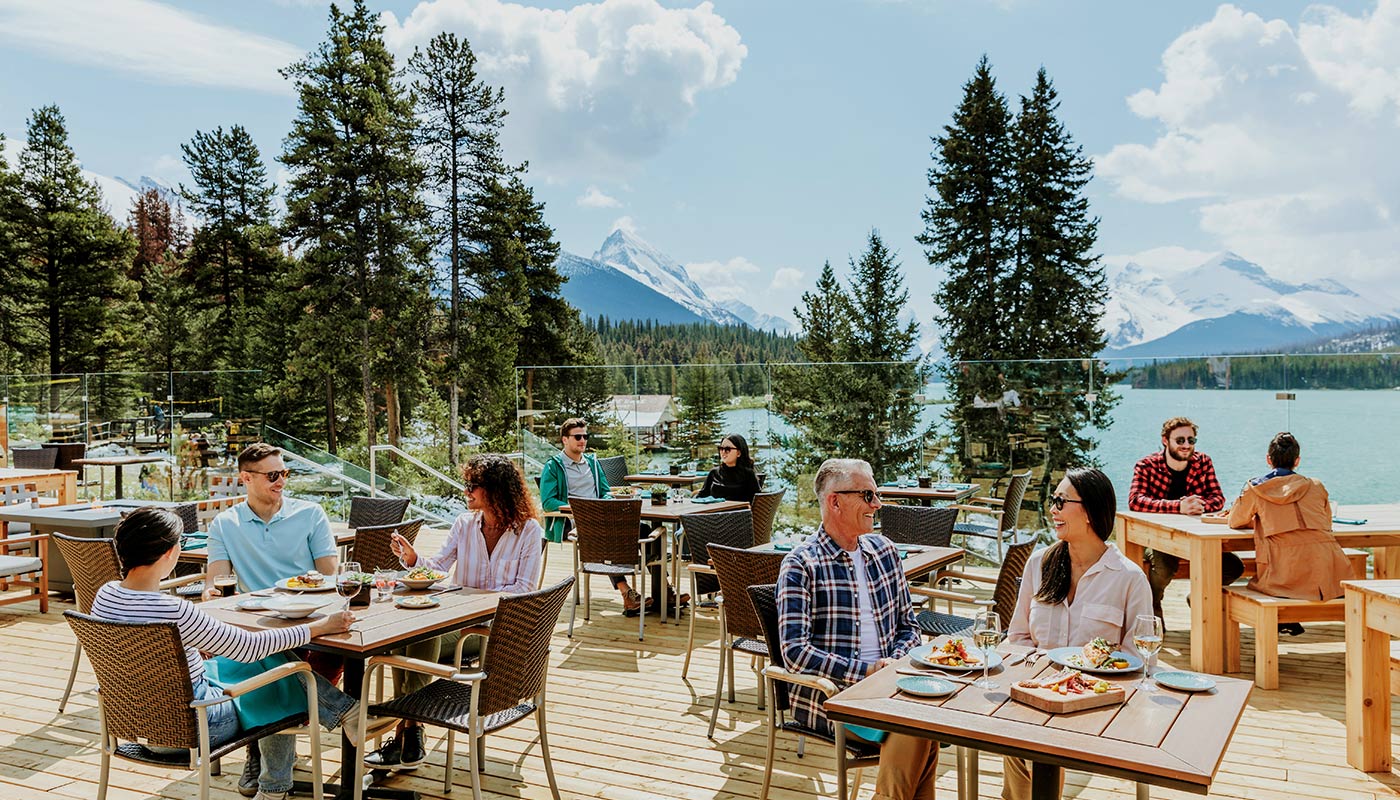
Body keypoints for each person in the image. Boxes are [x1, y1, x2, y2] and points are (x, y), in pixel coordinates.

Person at [92, 508, 373, 800]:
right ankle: (278, 785)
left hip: (135, 724)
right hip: (196, 728)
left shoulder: (105, 595)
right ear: (169, 552)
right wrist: (318, 627)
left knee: (266, 662)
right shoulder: (174, 611)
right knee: (277, 677)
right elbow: (249, 648)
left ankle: (344, 714)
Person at [363, 454, 545, 770]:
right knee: (405, 637)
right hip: (456, 626)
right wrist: (413, 557)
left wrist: (470, 601)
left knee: (420, 636)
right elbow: (438, 567)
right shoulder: (464, 524)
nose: (466, 491)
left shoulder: (527, 531)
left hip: (491, 632)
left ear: (497, 489)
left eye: (473, 485)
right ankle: (411, 729)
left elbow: (523, 591)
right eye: (466, 484)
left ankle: (406, 727)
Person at [778, 458, 937, 800]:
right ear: (835, 501)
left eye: (876, 495)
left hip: (891, 685)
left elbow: (909, 627)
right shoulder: (801, 564)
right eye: (868, 495)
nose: (877, 504)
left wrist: (891, 665)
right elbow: (795, 653)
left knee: (927, 720)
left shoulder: (885, 552)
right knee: (917, 723)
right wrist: (866, 672)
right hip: (832, 696)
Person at [1004, 468, 1152, 800]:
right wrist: (1039, 685)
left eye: (1061, 501)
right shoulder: (1039, 564)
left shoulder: (1129, 579)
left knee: (1034, 745)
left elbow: (1138, 661)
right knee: (1019, 736)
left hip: (1096, 704)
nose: (1052, 509)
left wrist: (1084, 691)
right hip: (1039, 694)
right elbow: (1018, 637)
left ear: (1089, 512)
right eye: (1052, 500)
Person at [204, 442, 341, 796]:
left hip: (311, 628)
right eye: (273, 475)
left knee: (264, 659)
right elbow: (215, 583)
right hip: (257, 629)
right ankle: (342, 716)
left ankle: (261, 752)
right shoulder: (225, 524)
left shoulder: (310, 514)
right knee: (261, 655)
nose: (281, 481)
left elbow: (331, 577)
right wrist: (211, 595)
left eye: (284, 473)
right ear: (246, 478)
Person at [539, 418, 686, 615]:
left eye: (585, 436)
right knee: (607, 534)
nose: (583, 440)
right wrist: (583, 509)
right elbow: (548, 502)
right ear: (565, 440)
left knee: (645, 530)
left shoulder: (592, 463)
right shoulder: (553, 466)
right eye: (578, 437)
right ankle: (626, 593)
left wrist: (605, 505)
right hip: (572, 521)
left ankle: (664, 589)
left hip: (602, 517)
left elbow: (606, 492)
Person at [1228, 432, 1352, 636]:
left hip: (1283, 578)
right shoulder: (1316, 486)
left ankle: (1284, 619)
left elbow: (1235, 521)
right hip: (1330, 574)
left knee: (1255, 586)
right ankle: (1288, 619)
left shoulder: (1255, 489)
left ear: (1269, 459)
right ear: (1297, 461)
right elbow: (1326, 523)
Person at [1128, 416, 1243, 621]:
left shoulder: (1203, 462)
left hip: (1195, 538)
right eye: (1180, 440)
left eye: (1191, 440)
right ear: (1165, 440)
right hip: (1158, 539)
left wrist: (1200, 505)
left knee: (1234, 566)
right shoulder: (1146, 466)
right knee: (1165, 567)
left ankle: (1198, 597)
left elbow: (1218, 498)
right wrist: (1178, 506)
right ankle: (1152, 606)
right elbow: (1135, 501)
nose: (1186, 445)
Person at [696, 433, 761, 503]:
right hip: (715, 509)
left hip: (740, 510)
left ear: (738, 453)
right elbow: (700, 497)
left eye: (727, 449)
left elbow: (757, 502)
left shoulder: (748, 474)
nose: (723, 452)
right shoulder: (714, 473)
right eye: (721, 448)